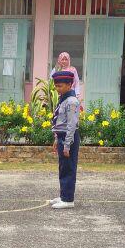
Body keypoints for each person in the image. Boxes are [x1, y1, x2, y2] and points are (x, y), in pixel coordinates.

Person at [50, 69, 81, 209]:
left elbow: (71, 125)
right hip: (62, 136)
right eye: (56, 86)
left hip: (70, 138)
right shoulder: (63, 99)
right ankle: (63, 195)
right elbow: (59, 122)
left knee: (69, 168)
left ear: (69, 85)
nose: (57, 89)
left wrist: (67, 145)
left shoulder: (72, 102)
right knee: (63, 168)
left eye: (60, 86)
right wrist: (57, 139)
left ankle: (68, 199)